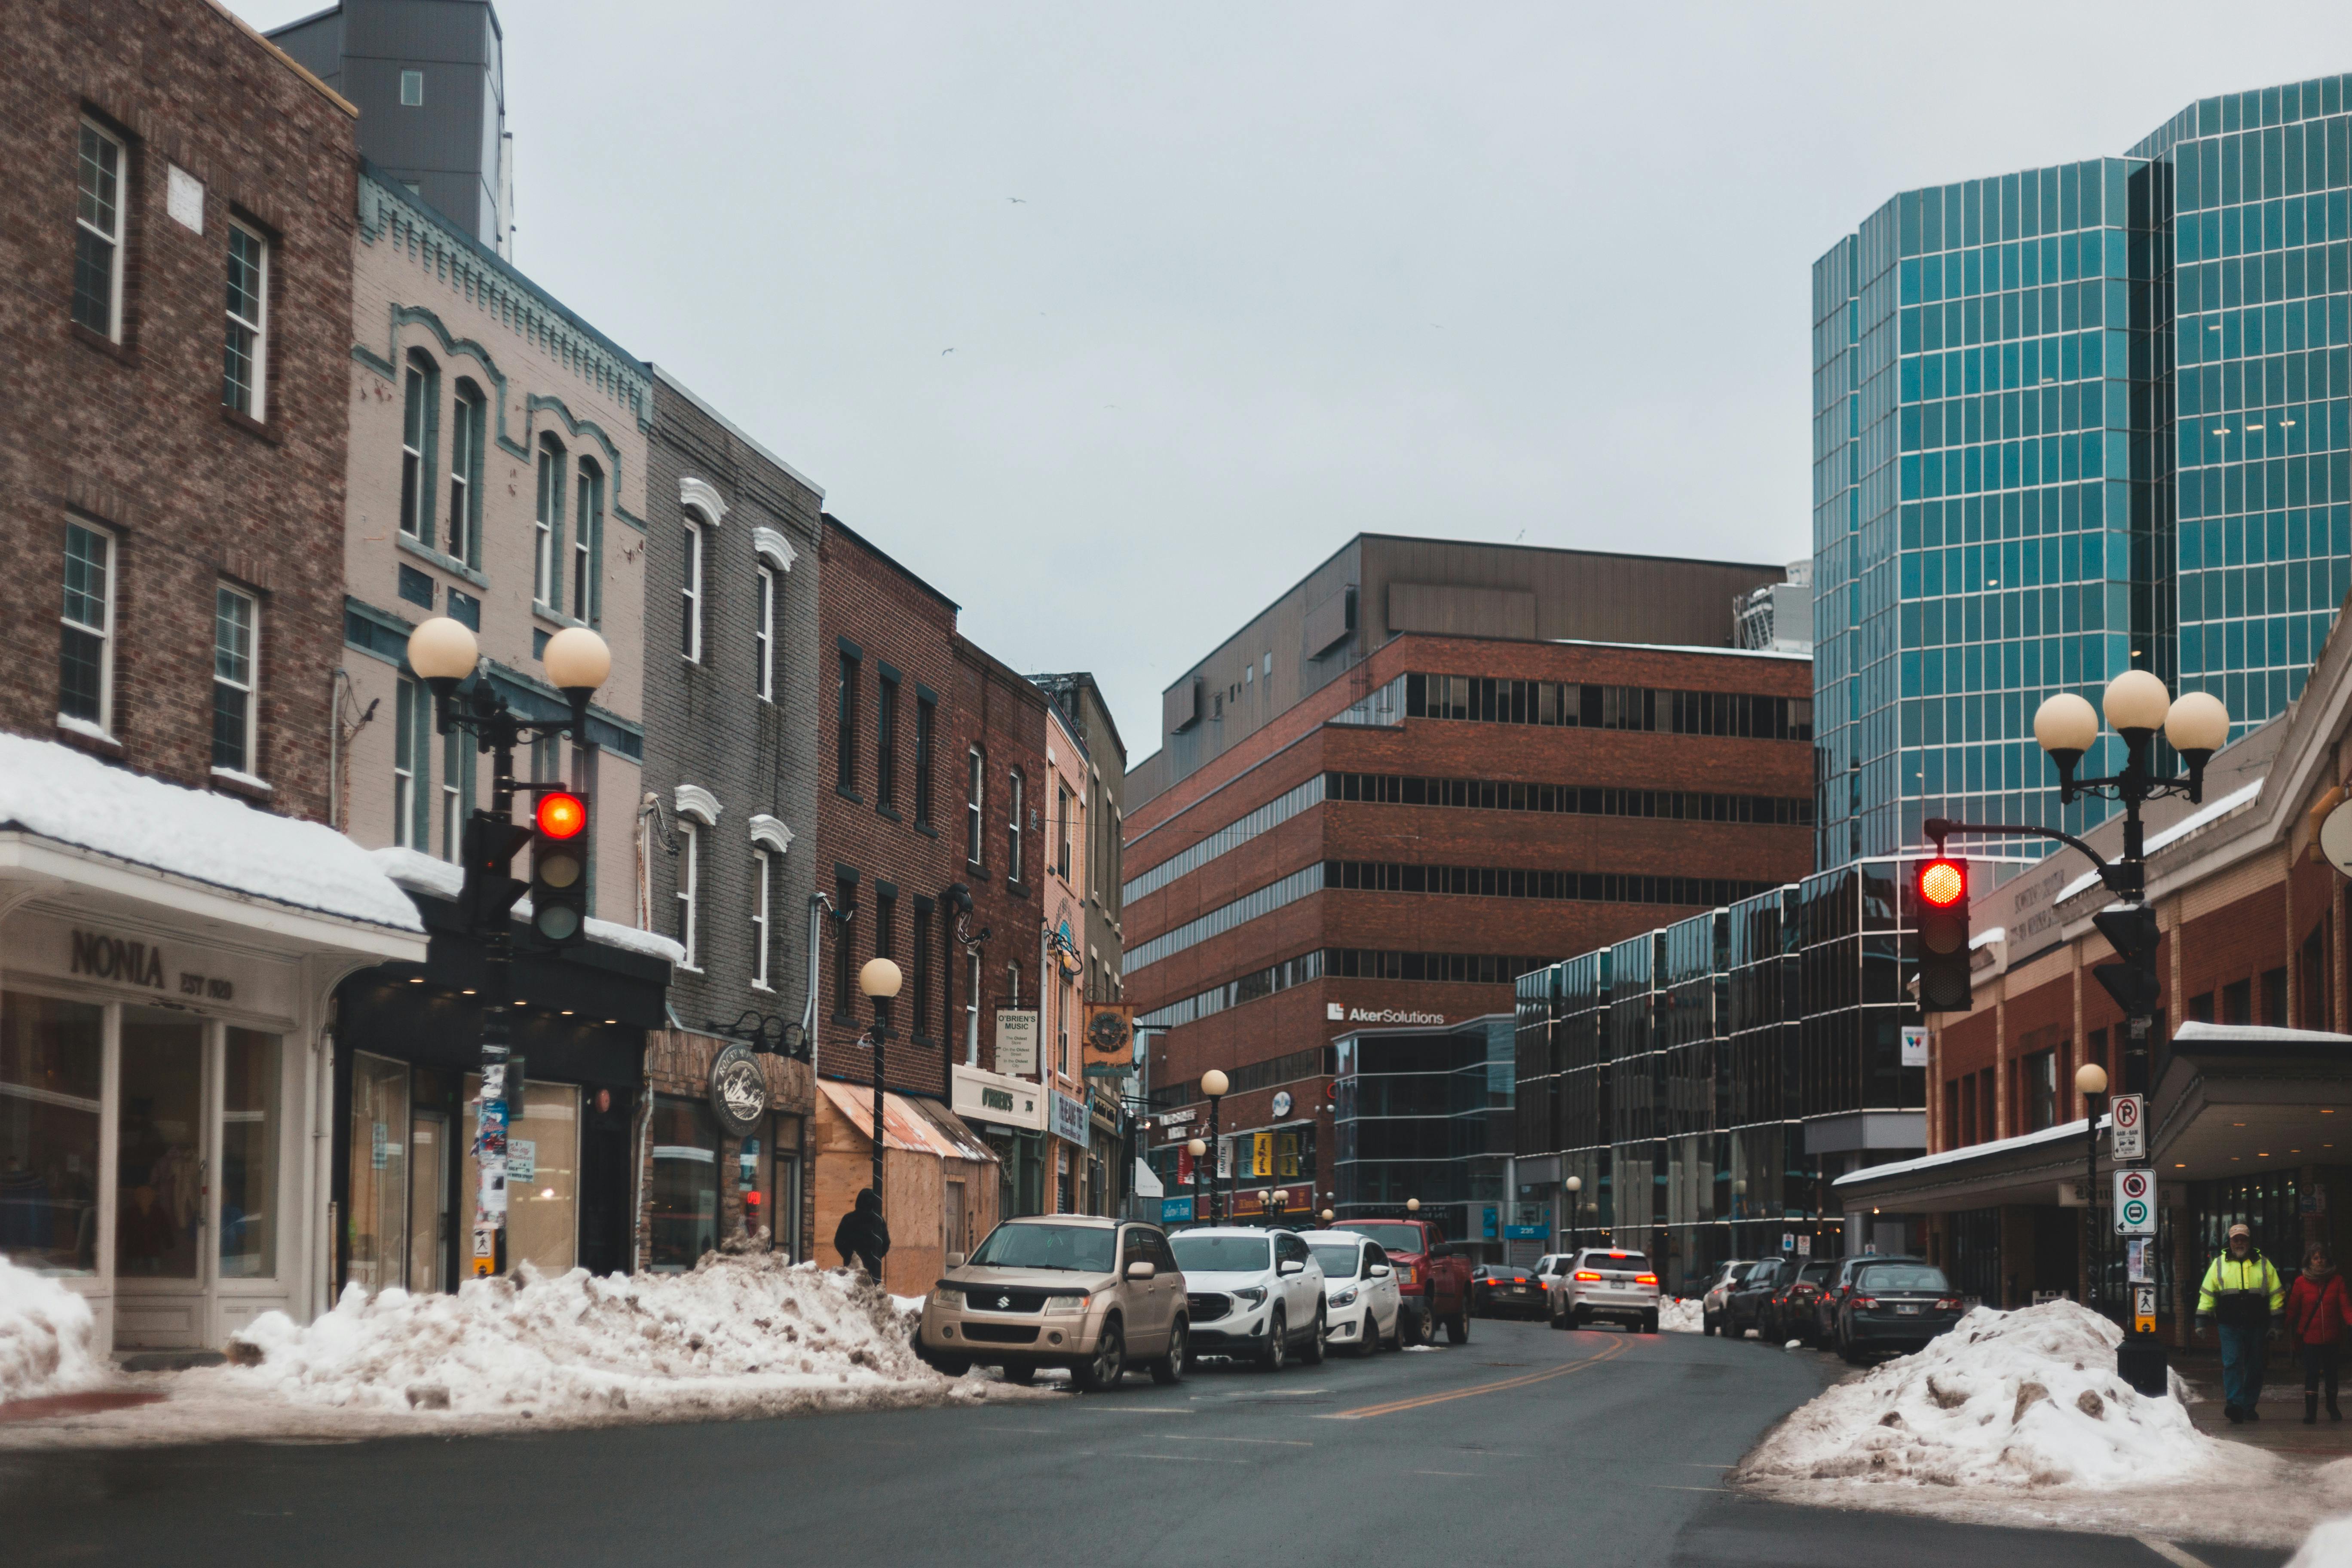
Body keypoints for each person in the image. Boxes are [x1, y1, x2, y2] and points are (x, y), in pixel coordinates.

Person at [2198, 1222, 2286, 1423]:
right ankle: (2235, 1405)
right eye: (2235, 1239)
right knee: (2232, 1364)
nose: (2239, 1243)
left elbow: (2277, 1294)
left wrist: (2277, 1323)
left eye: (2243, 1239)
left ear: (2249, 1241)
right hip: (2229, 1324)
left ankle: (2249, 1406)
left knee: (2255, 1366)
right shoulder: (2219, 1264)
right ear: (2229, 1242)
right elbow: (2207, 1293)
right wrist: (2201, 1319)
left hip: (2257, 1324)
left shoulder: (2264, 1264)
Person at [2287, 1242, 2349, 1424]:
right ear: (2310, 1262)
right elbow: (2292, 1308)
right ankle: (2311, 1412)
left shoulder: (2337, 1280)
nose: (2319, 1261)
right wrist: (2281, 1326)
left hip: (2332, 1337)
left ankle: (2332, 1406)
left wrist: (2350, 1321)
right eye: (2316, 1258)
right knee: (2312, 1374)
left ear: (2328, 1260)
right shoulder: (2301, 1282)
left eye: (2322, 1257)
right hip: (2310, 1338)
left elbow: (2345, 1306)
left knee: (2332, 1373)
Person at [833, 1187, 890, 1279]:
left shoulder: (849, 1218)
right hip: (871, 1267)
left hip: (854, 1266)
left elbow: (839, 1241)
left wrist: (850, 1256)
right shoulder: (878, 1220)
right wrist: (875, 1257)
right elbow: (886, 1243)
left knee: (853, 1289)